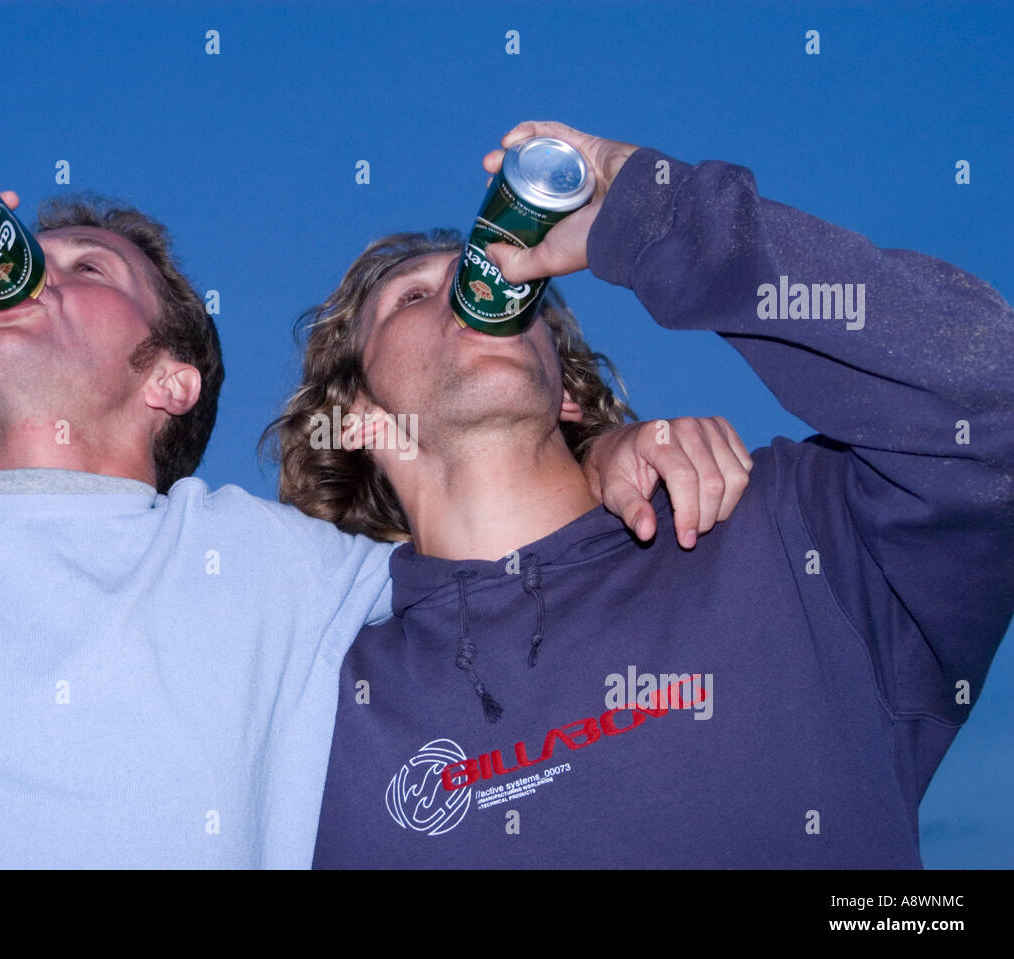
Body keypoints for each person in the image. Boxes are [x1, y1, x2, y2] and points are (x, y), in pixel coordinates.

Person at [0, 175, 741, 868]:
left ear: (170, 380)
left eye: (88, 269)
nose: (21, 274)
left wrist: (610, 448)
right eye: (25, 260)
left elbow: (492, 511)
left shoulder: (287, 581)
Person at [279, 122, 1014, 868]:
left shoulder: (792, 538)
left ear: (565, 389)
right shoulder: (322, 701)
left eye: (491, 270)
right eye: (413, 297)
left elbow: (993, 403)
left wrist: (658, 214)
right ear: (363, 419)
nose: (476, 287)